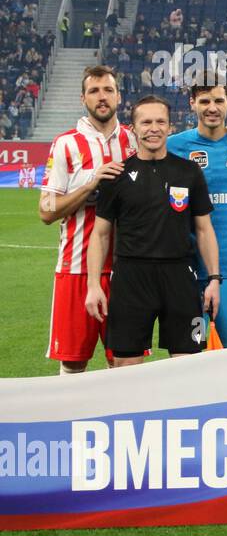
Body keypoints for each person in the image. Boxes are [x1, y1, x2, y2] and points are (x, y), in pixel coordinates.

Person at [84, 96, 219, 367]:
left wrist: (214, 279)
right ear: (133, 128)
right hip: (131, 279)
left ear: (170, 127)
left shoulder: (189, 172)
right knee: (126, 367)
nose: (153, 128)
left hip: (181, 276)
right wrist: (93, 285)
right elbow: (100, 235)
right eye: (146, 122)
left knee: (189, 366)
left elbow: (204, 229)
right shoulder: (116, 175)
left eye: (160, 122)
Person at [39, 65, 135, 373]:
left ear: (119, 96)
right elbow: (46, 211)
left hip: (127, 270)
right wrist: (90, 185)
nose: (101, 97)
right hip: (76, 269)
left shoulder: (134, 143)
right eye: (94, 91)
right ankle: (69, 420)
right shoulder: (66, 144)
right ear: (83, 98)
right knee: (73, 360)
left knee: (123, 361)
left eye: (108, 90)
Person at [168, 73, 227, 348]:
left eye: (219, 100)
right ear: (192, 103)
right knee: (189, 352)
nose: (212, 107)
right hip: (188, 268)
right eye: (205, 100)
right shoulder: (174, 146)